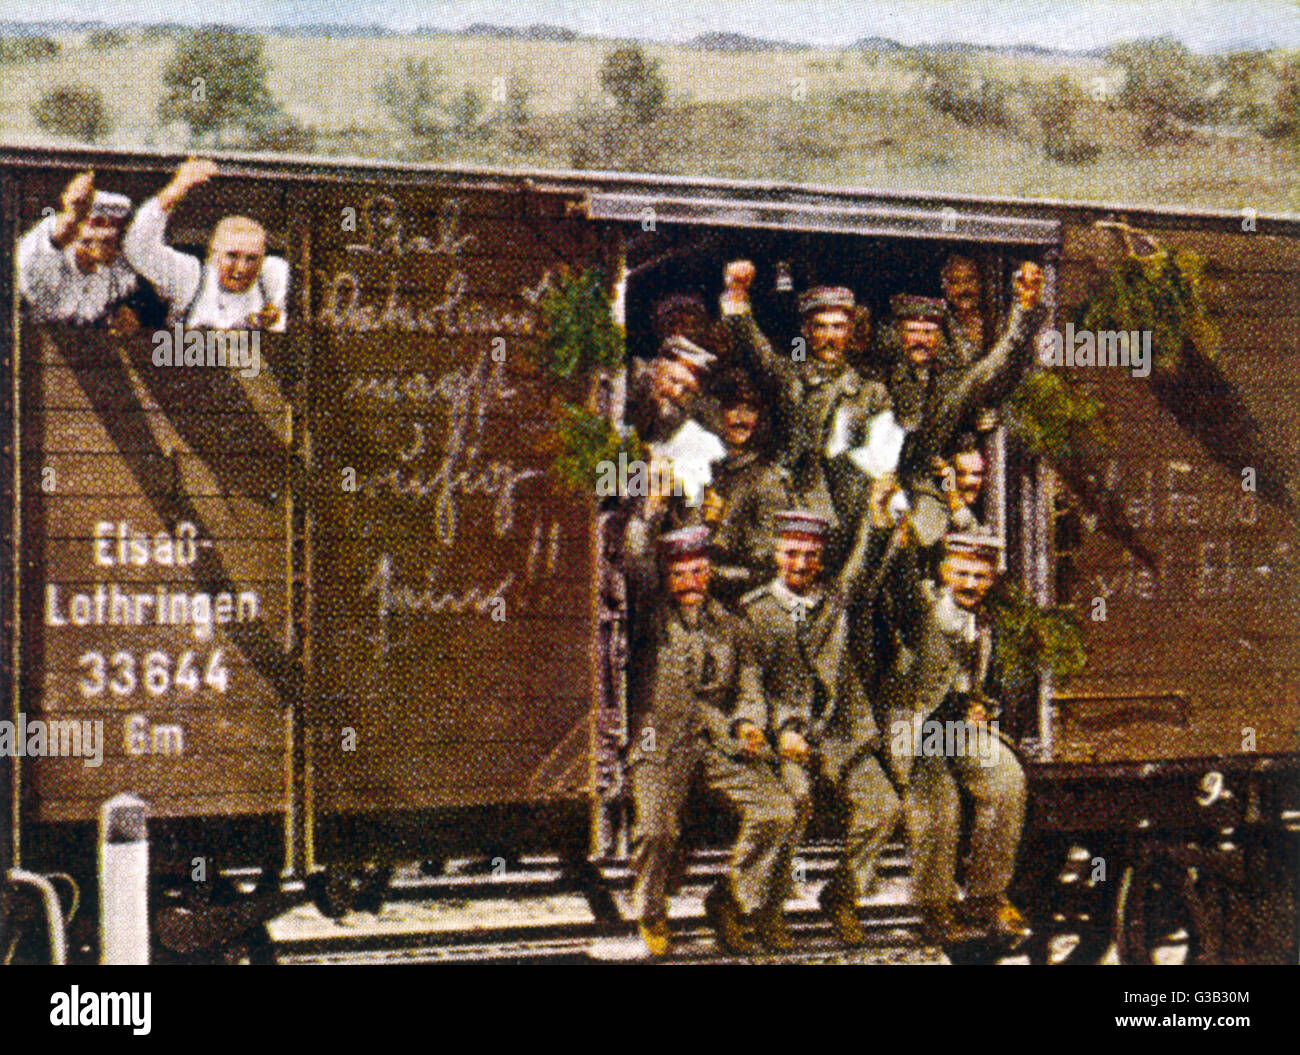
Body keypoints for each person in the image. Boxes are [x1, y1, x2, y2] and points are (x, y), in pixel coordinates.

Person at [622, 518, 798, 958]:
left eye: (698, 571)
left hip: (718, 743)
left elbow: (750, 687)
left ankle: (733, 897)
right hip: (656, 742)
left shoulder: (731, 624)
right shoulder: (648, 619)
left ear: (710, 573)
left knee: (777, 811)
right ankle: (650, 910)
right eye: (678, 574)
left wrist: (748, 723)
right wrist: (649, 515)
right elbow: (636, 563)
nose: (690, 583)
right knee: (655, 829)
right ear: (666, 577)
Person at [741, 510, 902, 949]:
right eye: (791, 553)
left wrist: (877, 519)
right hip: (786, 737)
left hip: (840, 733)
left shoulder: (835, 599)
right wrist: (776, 732)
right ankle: (767, 909)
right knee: (794, 802)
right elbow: (750, 681)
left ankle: (842, 896)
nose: (800, 564)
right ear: (776, 553)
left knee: (883, 806)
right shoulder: (754, 613)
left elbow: (864, 562)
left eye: (810, 555)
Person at [876, 529, 1029, 949]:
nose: (970, 585)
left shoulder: (988, 620)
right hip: (913, 728)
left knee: (1007, 779)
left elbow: (982, 677)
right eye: (961, 574)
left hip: (955, 728)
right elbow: (898, 584)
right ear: (944, 572)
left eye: (981, 576)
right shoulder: (921, 608)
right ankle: (935, 907)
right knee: (937, 801)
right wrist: (897, 538)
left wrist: (980, 704)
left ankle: (984, 895)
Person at [719, 261, 891, 557]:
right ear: (806, 331)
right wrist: (737, 295)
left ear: (850, 331)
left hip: (849, 519)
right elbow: (757, 353)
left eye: (838, 327)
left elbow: (885, 460)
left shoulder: (871, 394)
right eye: (821, 327)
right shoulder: (790, 380)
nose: (830, 337)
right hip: (793, 513)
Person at [123, 157, 289, 331]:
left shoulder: (273, 275)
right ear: (213, 254)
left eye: (252, 259)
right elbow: (138, 249)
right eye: (232, 256)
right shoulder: (191, 277)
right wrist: (174, 190)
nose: (241, 268)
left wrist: (276, 319)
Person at [16, 170, 141, 329]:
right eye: (98, 224)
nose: (111, 238)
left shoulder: (112, 273)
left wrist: (117, 317)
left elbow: (103, 313)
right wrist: (74, 215)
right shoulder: (45, 250)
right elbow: (51, 241)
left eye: (117, 232)